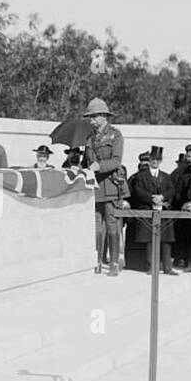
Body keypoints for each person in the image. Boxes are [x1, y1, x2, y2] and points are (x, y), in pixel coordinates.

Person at [81, 98, 126, 276]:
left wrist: (99, 166)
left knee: (113, 226)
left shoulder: (116, 135)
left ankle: (114, 262)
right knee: (96, 227)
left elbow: (116, 160)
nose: (91, 120)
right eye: (89, 117)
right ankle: (97, 261)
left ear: (102, 116)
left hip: (111, 187)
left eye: (93, 117)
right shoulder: (89, 139)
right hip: (95, 189)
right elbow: (87, 162)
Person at [127, 146, 176, 274]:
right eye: (153, 158)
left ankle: (167, 267)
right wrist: (151, 198)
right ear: (150, 159)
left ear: (161, 161)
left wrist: (162, 197)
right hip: (147, 209)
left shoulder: (166, 176)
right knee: (149, 239)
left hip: (162, 211)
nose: (155, 161)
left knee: (165, 239)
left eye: (158, 159)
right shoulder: (141, 176)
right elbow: (138, 190)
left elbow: (172, 190)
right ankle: (151, 267)